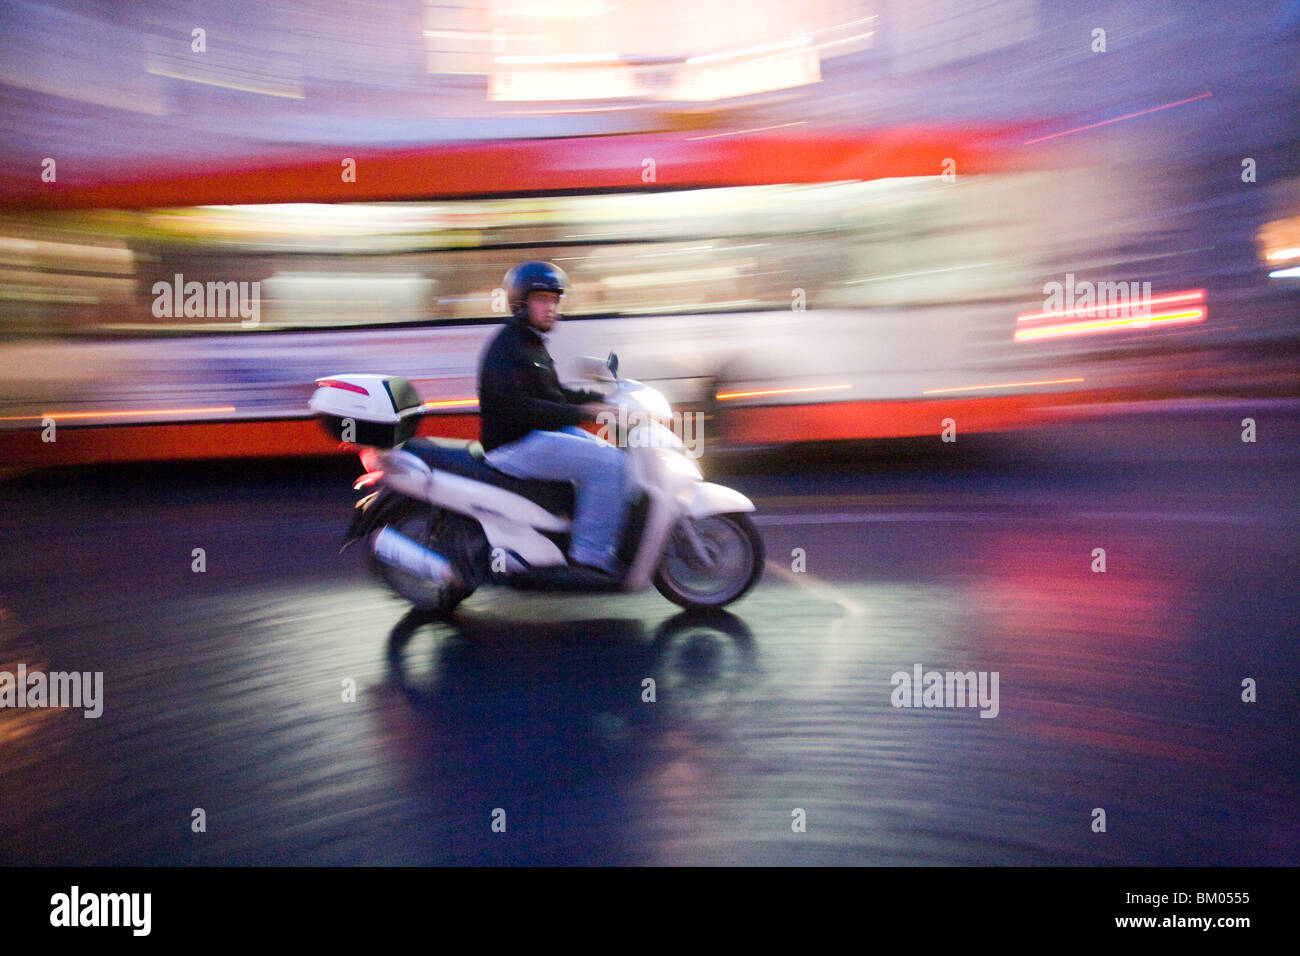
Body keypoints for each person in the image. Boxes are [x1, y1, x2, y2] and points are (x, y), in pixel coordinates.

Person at [476, 261, 630, 577]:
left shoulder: (531, 342)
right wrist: (584, 412)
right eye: (543, 300)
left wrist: (603, 400)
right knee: (608, 463)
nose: (552, 308)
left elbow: (554, 394)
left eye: (555, 300)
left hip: (535, 434)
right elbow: (523, 409)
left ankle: (581, 528)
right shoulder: (509, 348)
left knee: (616, 456)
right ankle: (590, 556)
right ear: (520, 303)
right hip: (514, 444)